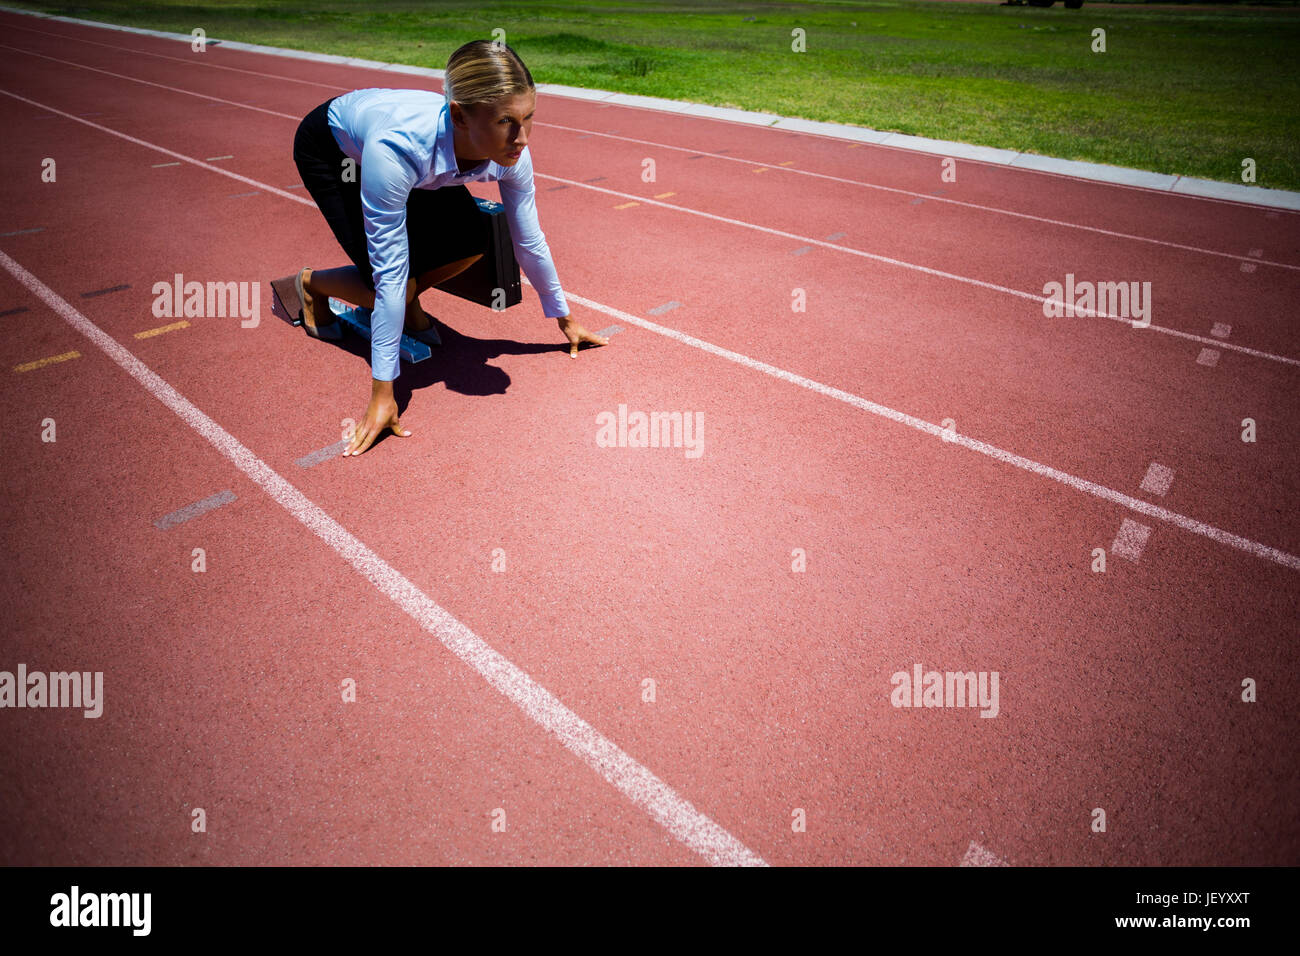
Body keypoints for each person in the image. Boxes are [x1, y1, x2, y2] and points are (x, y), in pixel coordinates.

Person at [279, 39, 608, 457]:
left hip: (430, 156)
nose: (522, 137)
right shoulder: (396, 152)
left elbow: (528, 240)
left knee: (472, 241)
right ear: (459, 116)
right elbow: (391, 273)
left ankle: (411, 304)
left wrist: (564, 317)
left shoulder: (510, 151)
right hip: (337, 152)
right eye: (507, 121)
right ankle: (312, 286)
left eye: (529, 118)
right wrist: (384, 392)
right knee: (383, 286)